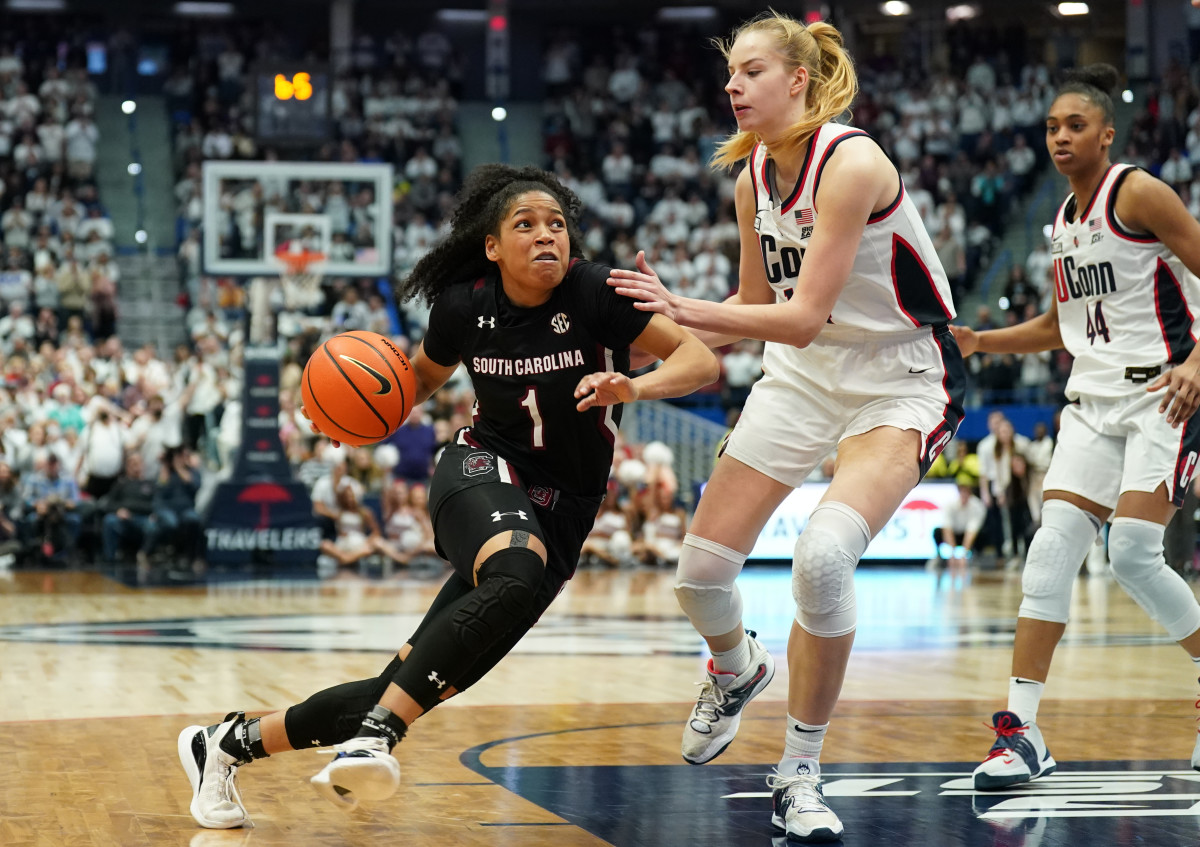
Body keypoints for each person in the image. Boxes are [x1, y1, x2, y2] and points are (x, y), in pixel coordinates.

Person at [177, 164, 718, 829]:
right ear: (492, 245)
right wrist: (343, 411)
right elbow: (412, 384)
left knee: (404, 685)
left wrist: (631, 388)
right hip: (480, 468)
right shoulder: (465, 305)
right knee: (515, 572)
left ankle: (224, 743)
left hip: (565, 510)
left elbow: (699, 360)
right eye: (526, 224)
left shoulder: (595, 290)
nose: (546, 235)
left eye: (557, 224)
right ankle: (377, 736)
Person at [606, 12, 965, 842]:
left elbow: (801, 315)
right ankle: (736, 668)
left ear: (798, 80)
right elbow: (750, 313)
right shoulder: (752, 177)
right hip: (801, 379)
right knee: (697, 576)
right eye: (730, 73)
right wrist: (643, 360)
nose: (733, 85)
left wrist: (679, 306)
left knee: (824, 557)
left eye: (752, 71)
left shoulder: (853, 161)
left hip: (895, 379)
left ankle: (800, 769)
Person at [949, 64, 1200, 792]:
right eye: (1053, 127)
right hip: (1089, 402)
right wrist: (984, 340)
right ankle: (1022, 731)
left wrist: (1197, 362)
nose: (1061, 136)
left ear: (1106, 133)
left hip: (1163, 394)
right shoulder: (1062, 220)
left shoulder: (1139, 192)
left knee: (1131, 551)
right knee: (1050, 551)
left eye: (1075, 125)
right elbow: (1063, 327)